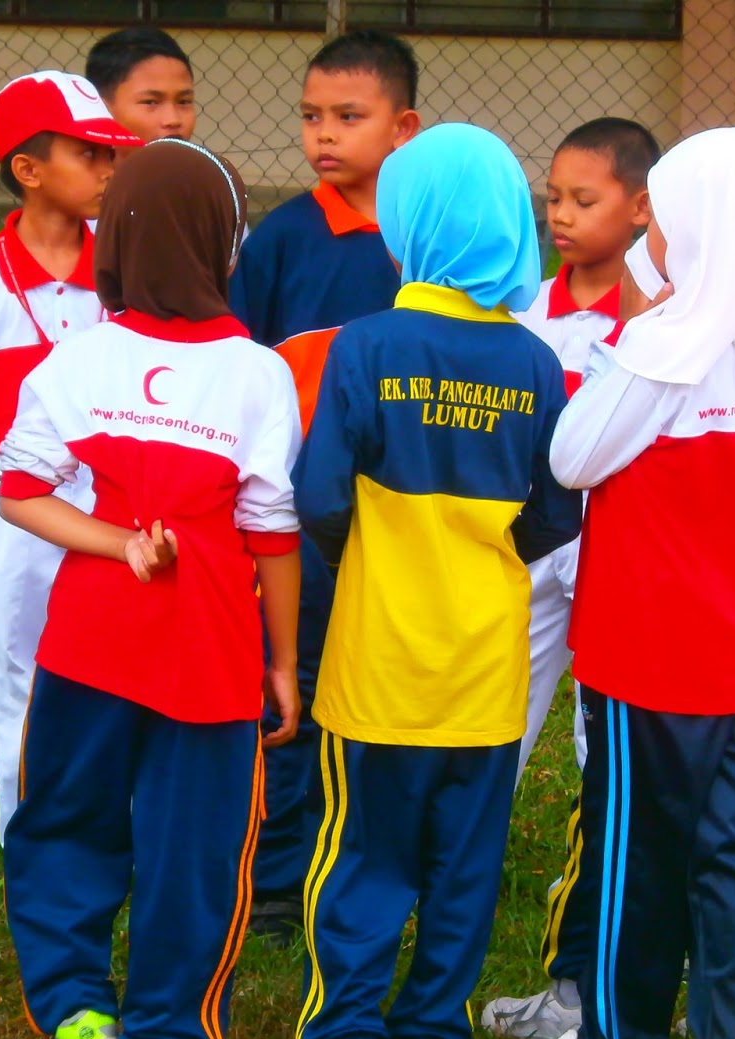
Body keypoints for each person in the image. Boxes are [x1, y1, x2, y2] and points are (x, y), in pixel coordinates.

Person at [490, 127, 735, 1039]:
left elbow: (570, 455)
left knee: (629, 842)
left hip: (652, 635)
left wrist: (633, 339)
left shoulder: (670, 343)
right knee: (731, 841)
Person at [0, 139, 303, 1039]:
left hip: (87, 640)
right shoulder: (256, 375)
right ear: (221, 243)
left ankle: (77, 1012)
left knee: (65, 816)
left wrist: (117, 539)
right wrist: (285, 661)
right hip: (207, 651)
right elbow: (271, 533)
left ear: (113, 239)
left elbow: (18, 494)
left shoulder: (77, 359)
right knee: (195, 847)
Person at [288, 123, 582, 1039]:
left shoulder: (366, 346)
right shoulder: (537, 364)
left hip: (377, 663)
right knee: (464, 862)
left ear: (406, 226)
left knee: (363, 856)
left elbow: (317, 496)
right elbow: (558, 512)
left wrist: (369, 549)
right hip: (487, 668)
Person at [229, 30, 422, 938]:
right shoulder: (282, 241)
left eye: (349, 117)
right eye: (311, 117)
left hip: (406, 512)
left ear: (404, 127)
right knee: (291, 684)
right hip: (305, 516)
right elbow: (237, 366)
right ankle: (274, 874)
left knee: (390, 685)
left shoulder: (432, 240)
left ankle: (386, 860)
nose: (324, 135)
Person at [480, 117, 660, 1039]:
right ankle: (452, 929)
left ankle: (584, 969)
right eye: (552, 196)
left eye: (583, 200)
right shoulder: (522, 310)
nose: (560, 214)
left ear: (639, 209)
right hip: (519, 554)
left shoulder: (665, 324)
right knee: (492, 732)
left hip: (616, 568)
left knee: (609, 769)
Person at [0, 72, 142, 841]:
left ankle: (102, 830)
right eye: (91, 154)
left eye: (114, 154)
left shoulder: (119, 274)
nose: (110, 171)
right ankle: (31, 841)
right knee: (15, 674)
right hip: (5, 512)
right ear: (28, 169)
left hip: (106, 507)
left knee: (107, 670)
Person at [84, 26, 198, 144]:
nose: (173, 120)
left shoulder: (208, 162)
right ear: (102, 111)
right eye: (150, 102)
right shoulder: (68, 162)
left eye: (184, 102)